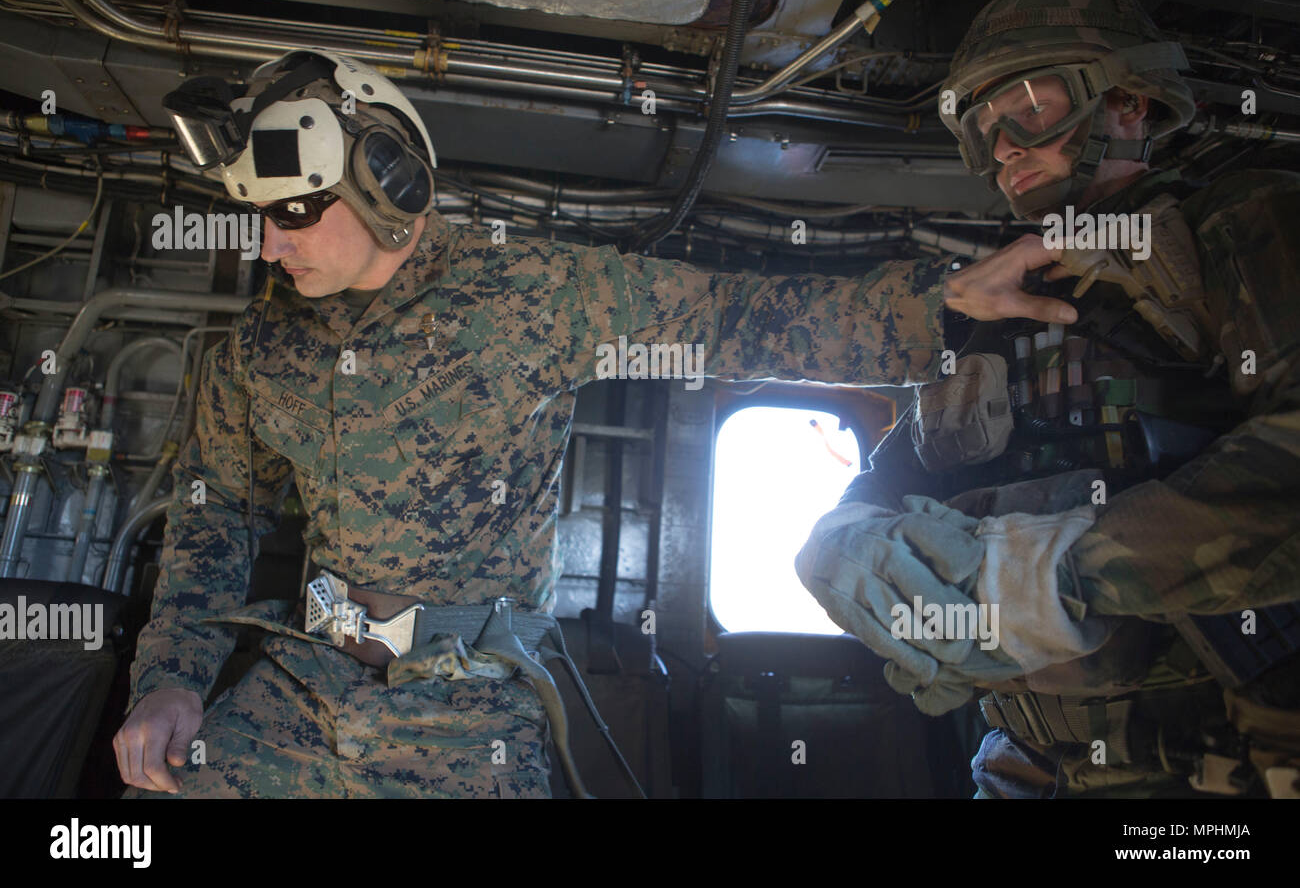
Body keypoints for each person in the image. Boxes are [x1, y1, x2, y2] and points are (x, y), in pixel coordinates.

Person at [111, 47, 1060, 798]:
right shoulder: (259, 348)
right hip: (299, 688)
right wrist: (173, 676)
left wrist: (941, 304)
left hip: (466, 711)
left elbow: (729, 319)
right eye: (258, 218)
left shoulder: (532, 294)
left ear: (384, 180)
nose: (269, 245)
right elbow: (215, 516)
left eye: (297, 213)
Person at [795, 0, 1300, 798]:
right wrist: (838, 542)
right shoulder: (986, 307)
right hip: (1021, 768)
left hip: (1207, 778)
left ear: (1128, 102)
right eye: (986, 128)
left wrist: (1072, 570)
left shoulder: (1240, 228)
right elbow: (891, 480)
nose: (1003, 147)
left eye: (1028, 107)